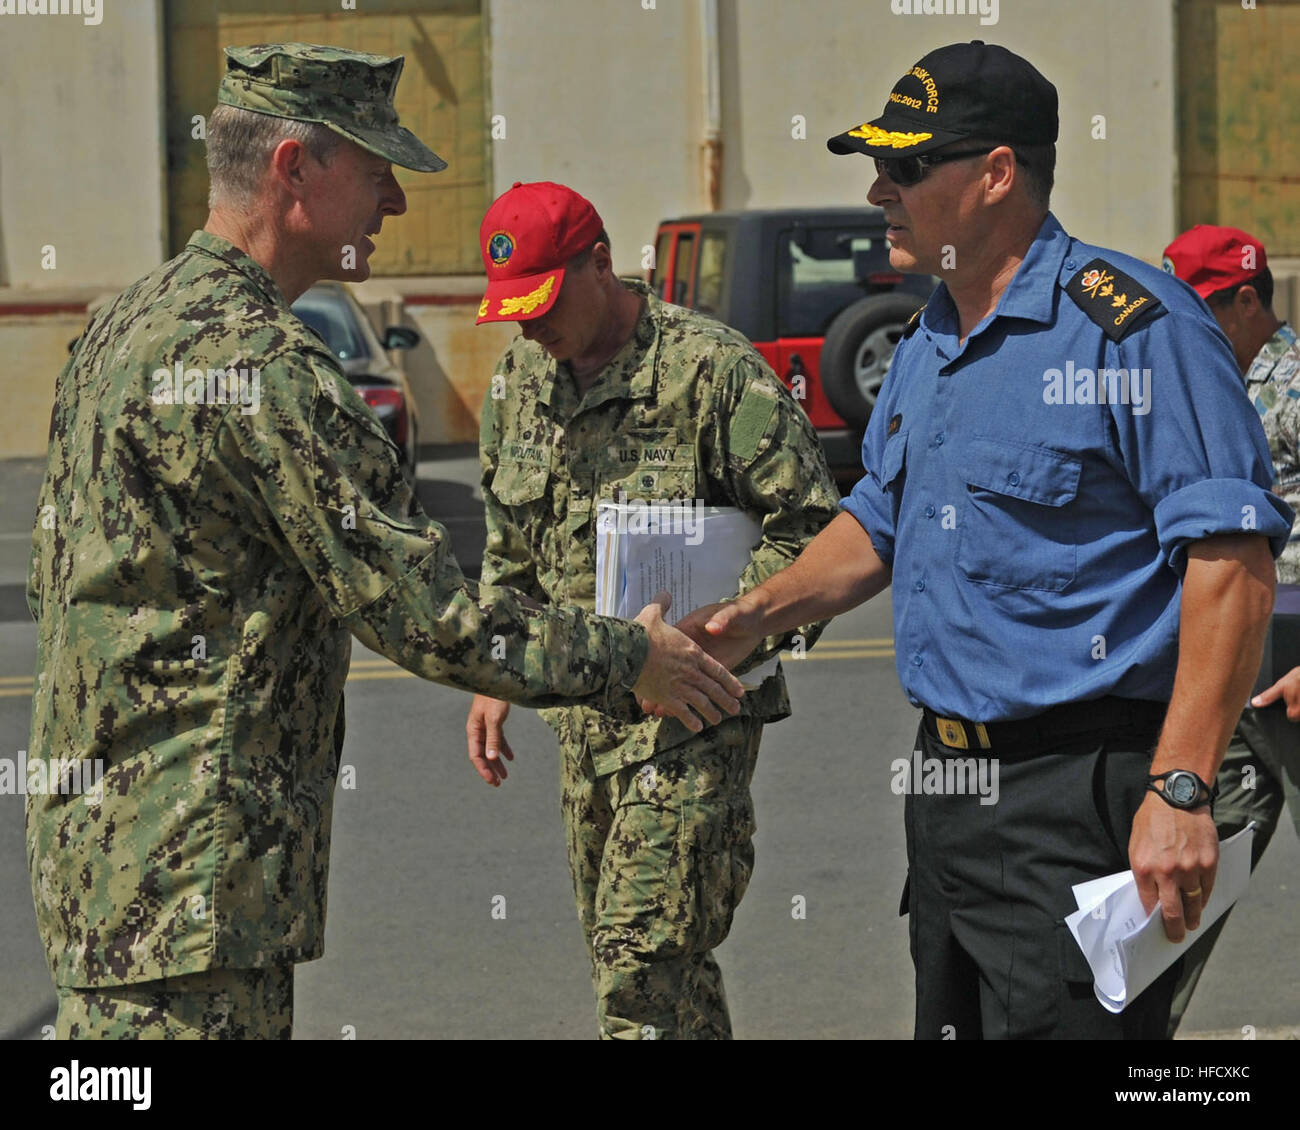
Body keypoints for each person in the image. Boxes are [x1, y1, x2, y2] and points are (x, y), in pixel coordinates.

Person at [25, 45, 743, 1041]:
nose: (396, 202)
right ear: (293, 169)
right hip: (194, 887)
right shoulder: (264, 367)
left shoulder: (120, 328)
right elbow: (430, 614)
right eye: (375, 170)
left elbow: (59, 578)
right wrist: (633, 657)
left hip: (101, 870)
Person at [660, 40, 1293, 1039]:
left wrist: (1180, 788)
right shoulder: (931, 336)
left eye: (907, 166)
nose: (879, 191)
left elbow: (1231, 563)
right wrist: (750, 615)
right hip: (951, 796)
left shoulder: (1135, 331)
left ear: (997, 172)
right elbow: (881, 518)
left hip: (1081, 796)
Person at [465, 181, 840, 1039]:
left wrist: (734, 626)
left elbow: (814, 532)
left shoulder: (711, 372)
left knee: (640, 971)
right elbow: (511, 547)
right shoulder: (519, 382)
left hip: (694, 720)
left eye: (544, 303)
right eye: (514, 312)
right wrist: (496, 670)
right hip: (584, 726)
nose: (530, 328)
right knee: (648, 973)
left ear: (600, 264)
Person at [1161, 225, 1300, 1034]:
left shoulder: (1293, 385)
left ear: (1246, 299)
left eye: (1204, 308)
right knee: (1197, 861)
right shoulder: (1201, 386)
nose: (1190, 325)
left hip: (1294, 654)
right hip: (1232, 661)